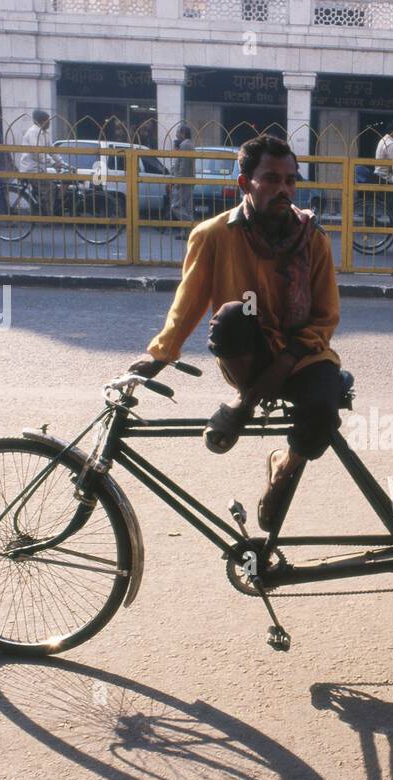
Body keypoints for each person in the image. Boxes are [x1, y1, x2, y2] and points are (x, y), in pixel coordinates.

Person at [128, 135, 342, 531]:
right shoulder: (213, 235)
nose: (284, 190)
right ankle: (247, 396)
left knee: (323, 412)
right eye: (272, 179)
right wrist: (159, 355)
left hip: (304, 355)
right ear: (245, 183)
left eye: (290, 181)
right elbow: (188, 303)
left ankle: (281, 465)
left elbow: (326, 317)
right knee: (231, 314)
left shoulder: (314, 239)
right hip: (246, 350)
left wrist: (287, 361)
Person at [18, 109, 67, 213]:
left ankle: (46, 208)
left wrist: (62, 163)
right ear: (42, 121)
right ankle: (47, 215)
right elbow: (38, 152)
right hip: (31, 170)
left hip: (39, 169)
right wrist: (53, 163)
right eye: (48, 120)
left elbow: (51, 150)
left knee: (53, 185)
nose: (49, 122)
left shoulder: (44, 133)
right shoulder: (34, 132)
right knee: (51, 187)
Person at [169, 125, 195, 237]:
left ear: (183, 133)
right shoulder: (189, 144)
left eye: (177, 132)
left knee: (176, 206)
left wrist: (179, 180)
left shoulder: (185, 145)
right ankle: (187, 233)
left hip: (183, 181)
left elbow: (183, 165)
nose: (176, 135)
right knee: (186, 207)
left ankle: (193, 225)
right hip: (188, 180)